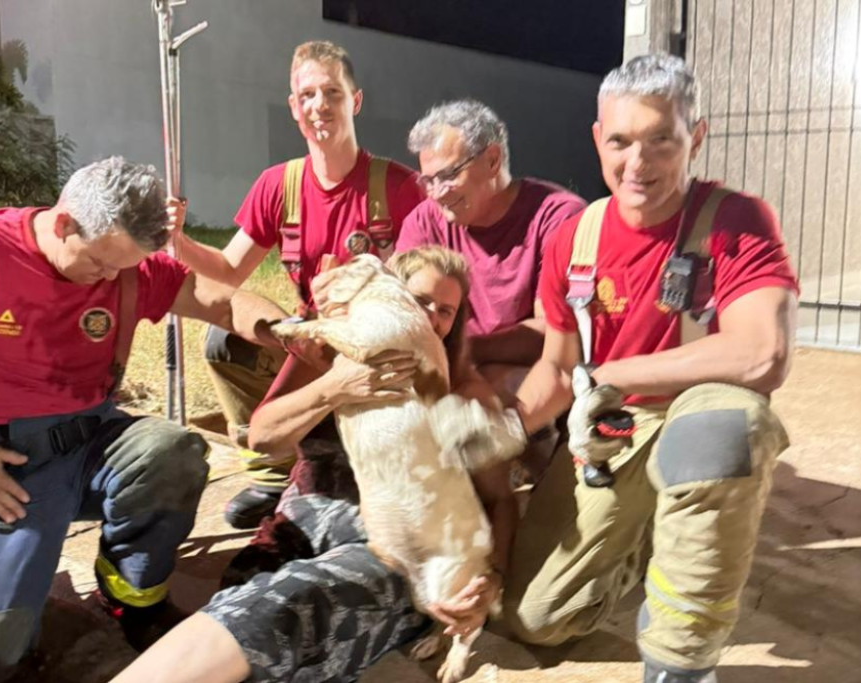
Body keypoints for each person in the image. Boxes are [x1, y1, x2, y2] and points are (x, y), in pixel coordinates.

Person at [0, 157, 290, 683]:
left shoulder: (129, 264)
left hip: (93, 438)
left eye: (124, 268)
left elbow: (222, 301)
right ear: (63, 223)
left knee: (171, 452)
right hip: (2, 460)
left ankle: (132, 599)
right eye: (102, 263)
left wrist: (282, 328)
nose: (111, 278)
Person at [504, 54, 798, 683]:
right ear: (597, 140)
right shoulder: (573, 238)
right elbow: (557, 369)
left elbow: (761, 354)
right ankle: (644, 545)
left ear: (696, 136)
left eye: (661, 139)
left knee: (722, 431)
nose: (639, 163)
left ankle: (679, 661)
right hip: (611, 431)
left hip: (692, 407)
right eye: (621, 141)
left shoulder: (735, 220)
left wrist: (612, 375)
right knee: (536, 617)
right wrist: (497, 433)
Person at [110, 246, 517, 683]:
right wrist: (335, 388)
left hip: (397, 544)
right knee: (240, 591)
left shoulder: (458, 390)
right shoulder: (327, 350)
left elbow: (499, 498)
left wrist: (492, 577)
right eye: (419, 301)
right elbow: (262, 437)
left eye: (446, 310)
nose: (432, 317)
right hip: (310, 509)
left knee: (282, 611)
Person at [167, 40, 424, 529]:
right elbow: (227, 270)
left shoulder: (399, 188)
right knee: (224, 339)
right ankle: (273, 472)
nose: (319, 106)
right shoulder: (278, 186)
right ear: (293, 107)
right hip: (314, 342)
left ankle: (340, 459)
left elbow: (432, 289)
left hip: (376, 351)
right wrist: (176, 241)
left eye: (332, 92)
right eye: (307, 95)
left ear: (356, 100)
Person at [395, 99, 585, 480]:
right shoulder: (425, 222)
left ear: (493, 160)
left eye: (447, 175)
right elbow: (396, 308)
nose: (436, 192)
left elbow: (554, 334)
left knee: (492, 384)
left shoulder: (557, 217)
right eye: (427, 179)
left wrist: (465, 351)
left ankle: (529, 473)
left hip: (533, 379)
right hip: (450, 367)